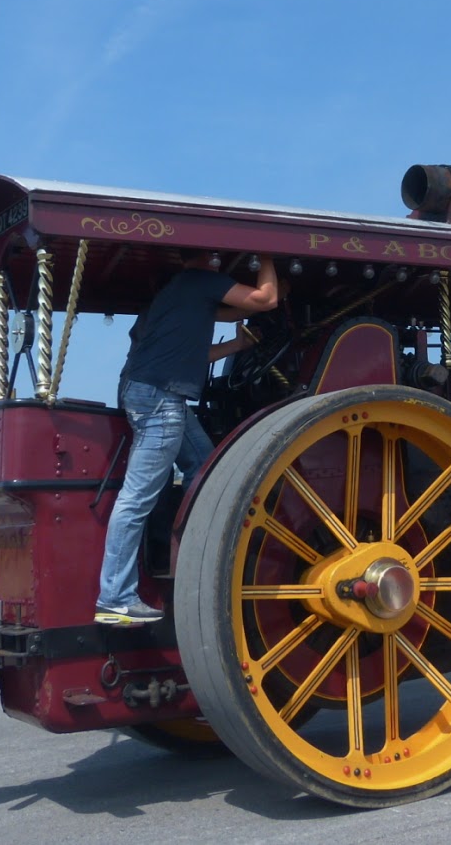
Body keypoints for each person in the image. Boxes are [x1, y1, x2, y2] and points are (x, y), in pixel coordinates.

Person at [96, 251, 278, 625]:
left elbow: (209, 341)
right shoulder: (202, 282)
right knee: (136, 498)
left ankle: (198, 558)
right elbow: (265, 299)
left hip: (152, 393)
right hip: (162, 398)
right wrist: (267, 258)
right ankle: (115, 598)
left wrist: (238, 346)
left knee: (205, 468)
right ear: (212, 258)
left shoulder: (179, 292)